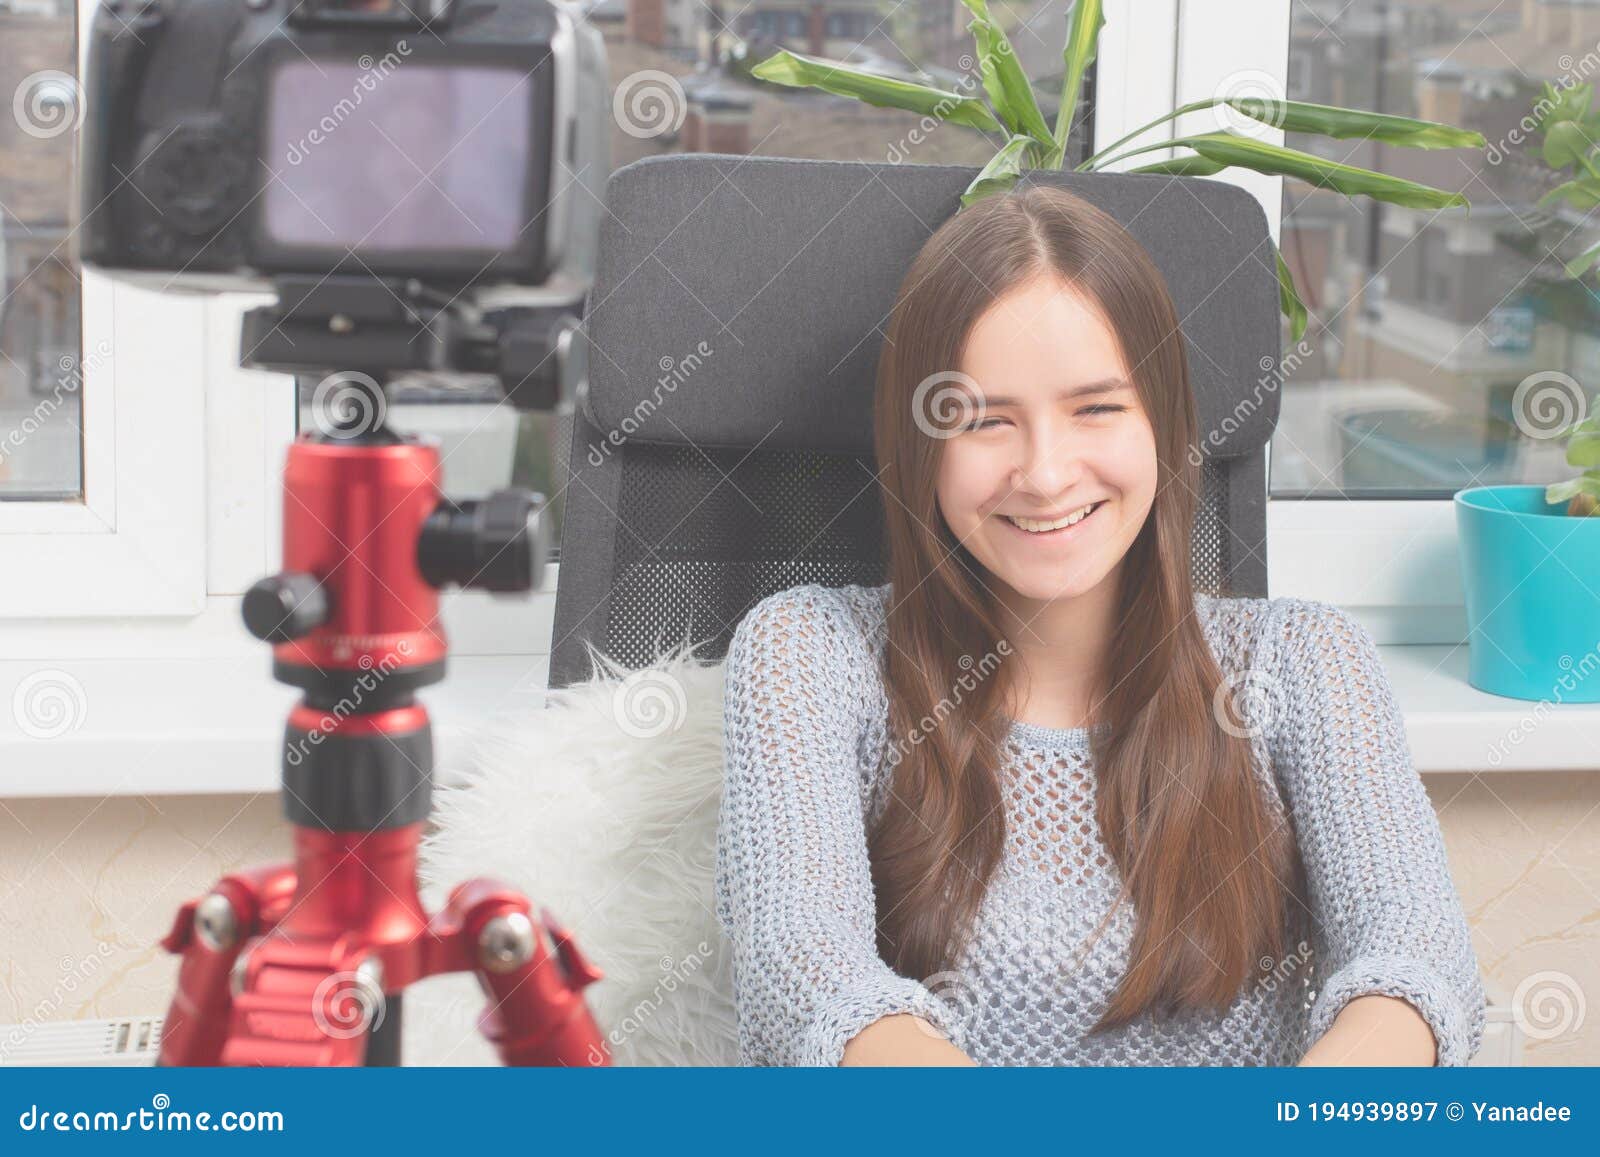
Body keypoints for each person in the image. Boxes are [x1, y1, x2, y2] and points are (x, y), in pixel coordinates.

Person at [712, 183, 1487, 1067]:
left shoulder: (1303, 659)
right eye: (984, 419)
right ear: (919, 443)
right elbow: (803, 967)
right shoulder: (809, 653)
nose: (1045, 475)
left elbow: (1417, 952)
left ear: (1163, 421)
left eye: (1096, 408)